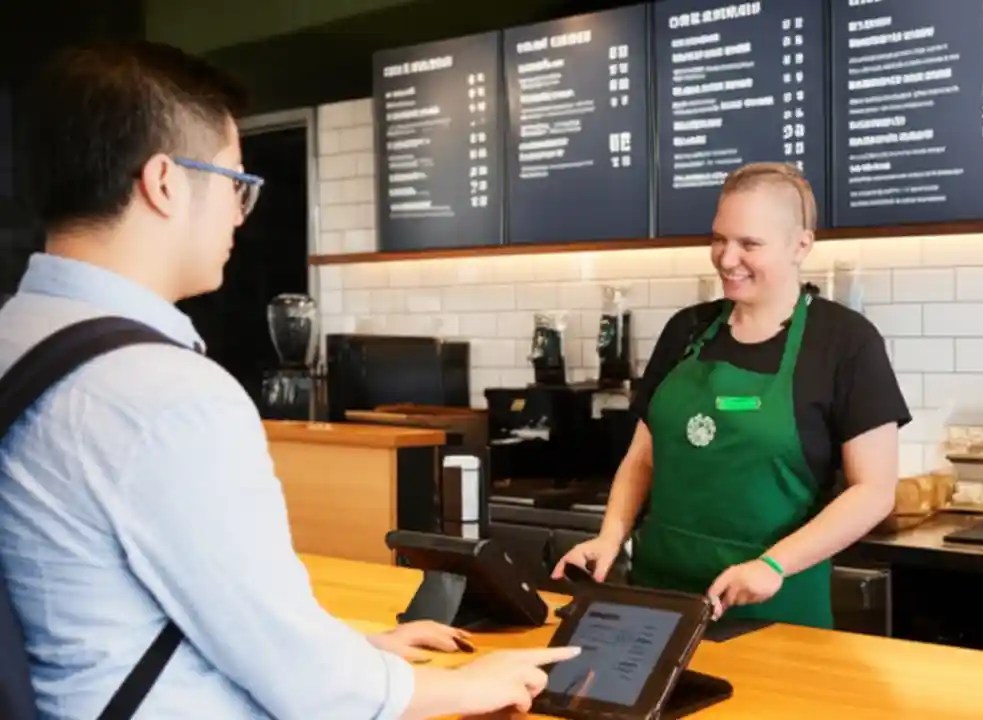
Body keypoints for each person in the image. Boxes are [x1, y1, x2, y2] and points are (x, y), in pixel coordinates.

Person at [0, 42, 575, 719]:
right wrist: (469, 683)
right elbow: (308, 689)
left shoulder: (18, 335)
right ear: (164, 182)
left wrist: (361, 650)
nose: (240, 217)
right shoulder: (168, 394)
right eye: (235, 185)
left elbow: (141, 608)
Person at [554, 163, 910, 629]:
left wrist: (773, 565)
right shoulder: (686, 330)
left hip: (774, 612)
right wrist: (609, 537)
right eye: (719, 239)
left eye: (749, 244)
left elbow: (874, 491)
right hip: (658, 603)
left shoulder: (845, 343)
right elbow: (643, 458)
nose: (726, 258)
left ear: (801, 245)